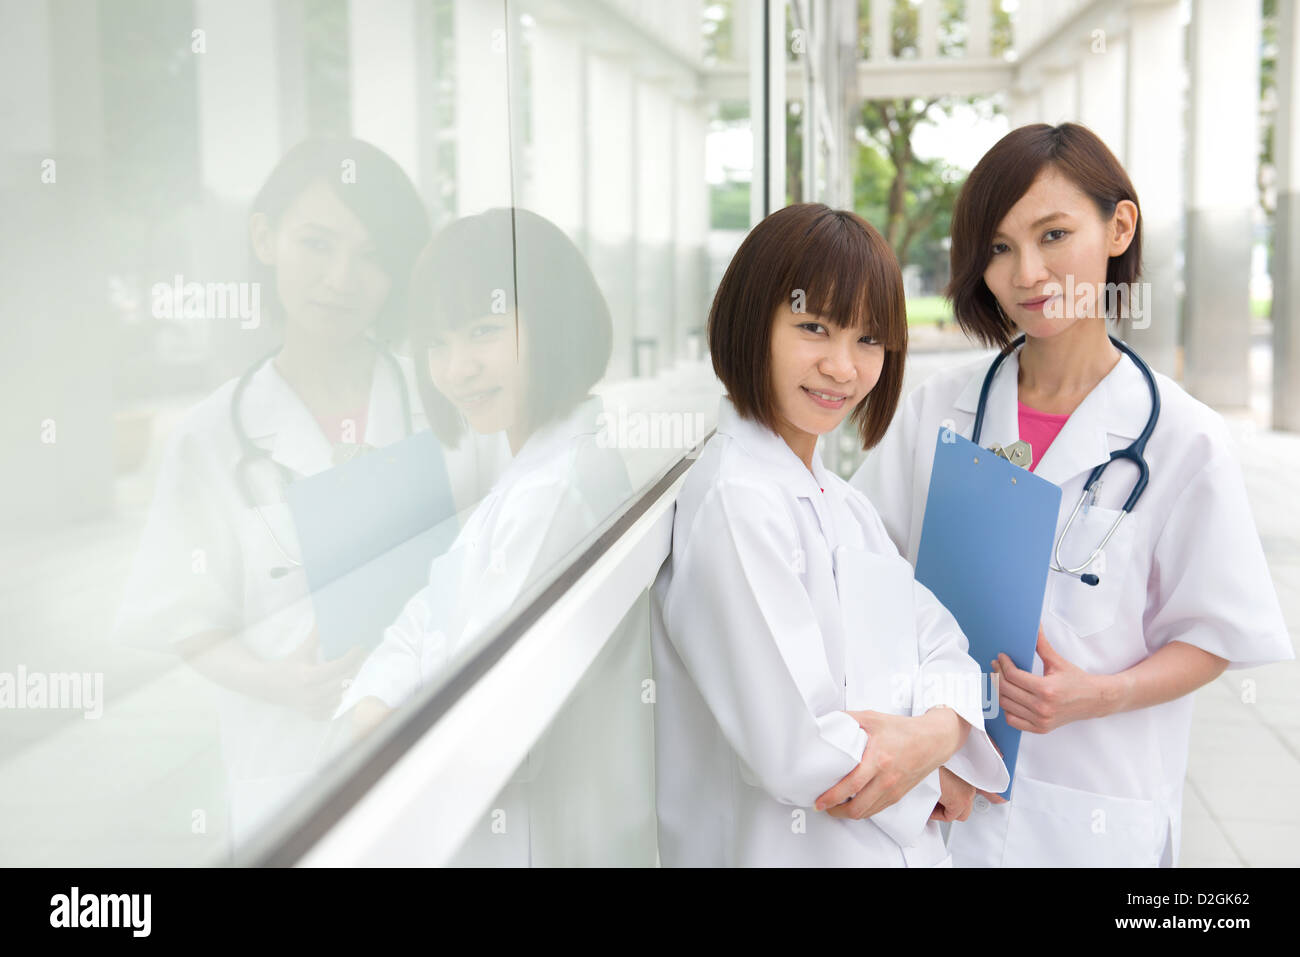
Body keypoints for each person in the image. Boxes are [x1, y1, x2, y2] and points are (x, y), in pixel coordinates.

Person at [851, 123, 1294, 867]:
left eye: (1054, 234)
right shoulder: (939, 410)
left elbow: (1217, 631)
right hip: (943, 801)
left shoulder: (1183, 438)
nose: (1027, 271)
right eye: (997, 247)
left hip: (1093, 810)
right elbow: (862, 568)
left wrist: (1099, 694)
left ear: (1119, 227)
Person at [111, 137, 507, 850]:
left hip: (433, 745)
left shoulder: (446, 401)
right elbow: (183, 617)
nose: (340, 278)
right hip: (285, 765)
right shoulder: (209, 438)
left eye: (372, 255)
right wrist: (279, 682)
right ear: (264, 237)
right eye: (316, 244)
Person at [651, 202, 1008, 868]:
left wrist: (935, 733)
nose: (843, 367)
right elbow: (798, 750)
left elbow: (943, 644)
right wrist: (941, 774)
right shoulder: (737, 502)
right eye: (814, 327)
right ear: (752, 321)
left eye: (868, 339)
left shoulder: (845, 504)